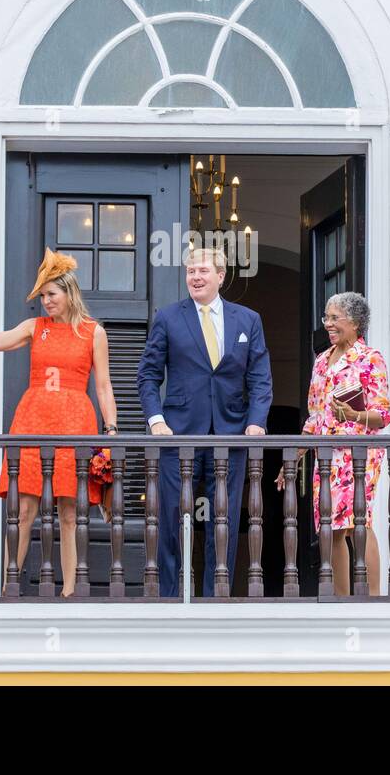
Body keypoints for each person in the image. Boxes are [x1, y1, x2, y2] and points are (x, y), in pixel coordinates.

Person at [0, 249, 118, 598]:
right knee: (23, 510)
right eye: (43, 296)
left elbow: (103, 386)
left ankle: (69, 592)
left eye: (51, 294)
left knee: (70, 512)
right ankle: (9, 588)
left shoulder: (94, 332)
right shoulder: (35, 327)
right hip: (32, 422)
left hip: (75, 424)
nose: (46, 301)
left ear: (69, 292)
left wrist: (110, 430)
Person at [137, 247, 272, 597]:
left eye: (203, 271)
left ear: (220, 276)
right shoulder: (168, 317)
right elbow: (148, 375)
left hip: (231, 433)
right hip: (177, 433)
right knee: (171, 518)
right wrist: (156, 421)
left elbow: (260, 377)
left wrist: (256, 422)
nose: (195, 277)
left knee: (223, 520)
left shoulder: (248, 320)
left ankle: (217, 596)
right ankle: (170, 596)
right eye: (190, 271)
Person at [281, 291, 390, 596]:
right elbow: (315, 417)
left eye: (334, 318)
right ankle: (342, 599)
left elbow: (382, 415)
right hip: (327, 455)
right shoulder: (321, 362)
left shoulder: (370, 359)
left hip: (358, 455)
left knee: (358, 524)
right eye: (326, 317)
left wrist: (354, 414)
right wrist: (295, 456)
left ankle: (372, 598)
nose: (328, 324)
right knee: (332, 528)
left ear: (355, 322)